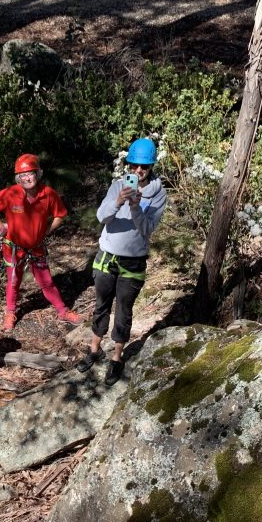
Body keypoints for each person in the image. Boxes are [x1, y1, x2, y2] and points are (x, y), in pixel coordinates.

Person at [85, 137, 167, 386]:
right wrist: (119, 201)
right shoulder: (117, 186)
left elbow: (147, 229)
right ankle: (94, 350)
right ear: (128, 165)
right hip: (107, 256)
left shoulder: (159, 194)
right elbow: (101, 216)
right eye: (134, 165)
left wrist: (135, 207)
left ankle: (116, 358)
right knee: (101, 305)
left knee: (123, 311)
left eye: (144, 166)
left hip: (133, 262)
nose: (138, 170)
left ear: (151, 166)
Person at [0, 153, 82, 332]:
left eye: (30, 173)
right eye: (23, 175)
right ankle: (10, 312)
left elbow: (60, 214)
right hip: (14, 248)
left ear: (38, 174)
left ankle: (62, 311)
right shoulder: (11, 194)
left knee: (47, 281)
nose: (27, 178)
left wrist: (48, 230)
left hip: (36, 248)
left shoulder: (48, 194)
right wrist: (1, 226)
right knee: (13, 281)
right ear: (18, 178)